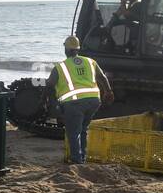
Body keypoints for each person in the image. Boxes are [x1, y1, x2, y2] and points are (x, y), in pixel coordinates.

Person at [47, 35, 114, 164]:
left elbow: (49, 85)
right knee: (83, 130)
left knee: (73, 132)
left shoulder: (60, 67)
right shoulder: (90, 61)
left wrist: (49, 101)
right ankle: (82, 157)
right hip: (94, 101)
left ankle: (76, 161)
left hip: (74, 103)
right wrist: (108, 92)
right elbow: (103, 78)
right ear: (78, 49)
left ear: (66, 49)